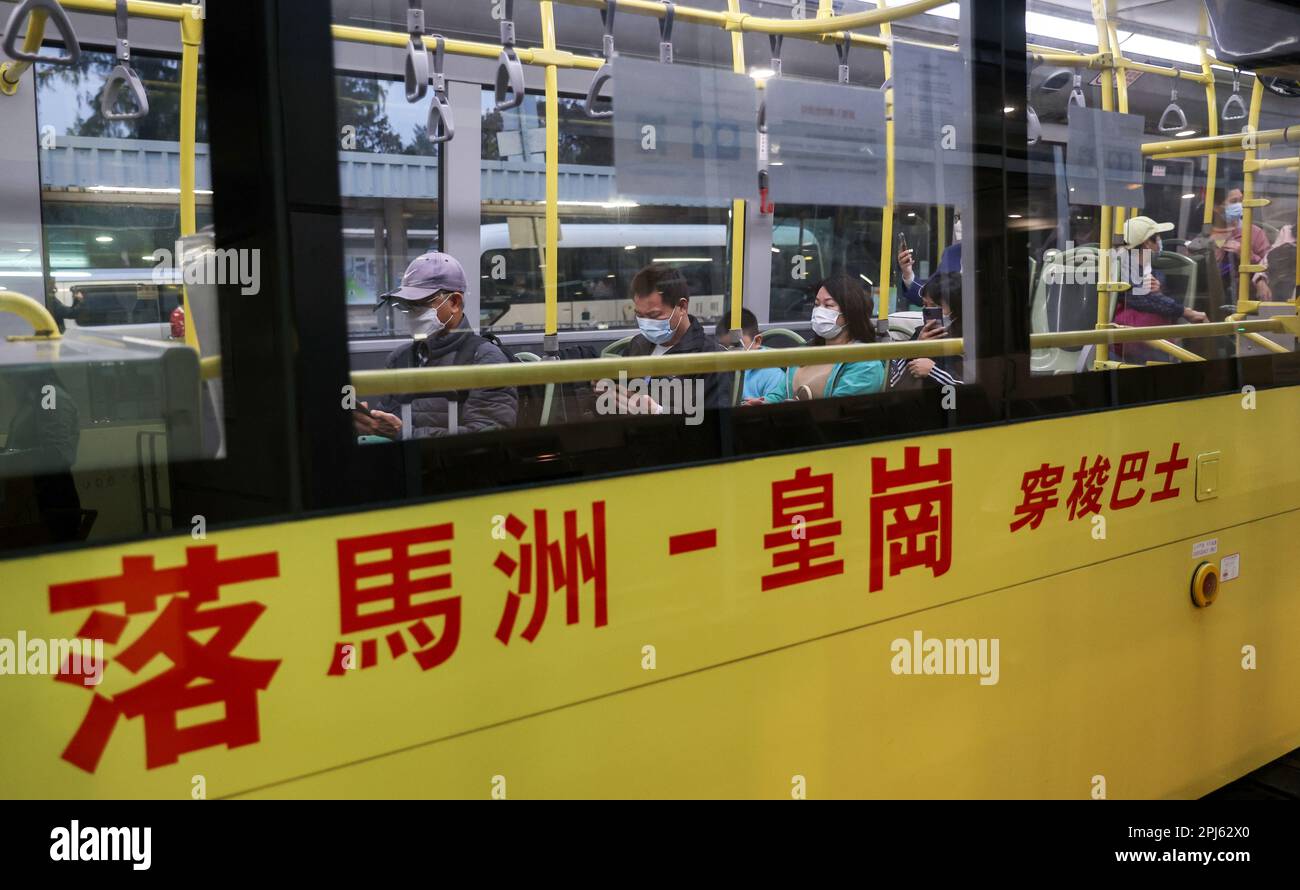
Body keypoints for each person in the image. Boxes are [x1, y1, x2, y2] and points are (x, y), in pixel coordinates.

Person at [354, 252, 517, 439]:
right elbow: (391, 420)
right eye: (406, 306)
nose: (411, 314)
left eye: (421, 304)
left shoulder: (485, 360)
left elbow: (488, 437)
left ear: (455, 302)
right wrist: (373, 424)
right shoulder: (400, 358)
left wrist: (405, 434)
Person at [617, 263, 734, 412]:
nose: (646, 323)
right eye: (639, 315)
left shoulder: (709, 359)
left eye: (654, 315)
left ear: (682, 307)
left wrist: (659, 412)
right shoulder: (638, 344)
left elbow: (712, 425)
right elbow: (622, 387)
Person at [764, 273, 884, 402]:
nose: (819, 311)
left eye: (829, 305)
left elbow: (840, 411)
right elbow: (781, 393)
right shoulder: (805, 353)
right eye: (816, 304)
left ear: (850, 311)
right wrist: (764, 402)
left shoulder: (866, 363)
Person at [1113, 215, 1207, 365]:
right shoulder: (1123, 269)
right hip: (1131, 342)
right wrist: (1186, 312)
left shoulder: (1153, 272)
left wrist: (1160, 294)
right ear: (1147, 243)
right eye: (1157, 238)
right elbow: (1141, 298)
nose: (1160, 242)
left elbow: (1156, 299)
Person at [889, 272, 963, 388]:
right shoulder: (920, 332)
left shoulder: (963, 339)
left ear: (956, 307)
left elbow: (970, 387)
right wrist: (916, 348)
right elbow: (893, 381)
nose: (928, 311)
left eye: (934, 306)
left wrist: (933, 371)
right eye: (924, 305)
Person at [715, 308, 785, 405]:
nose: (731, 353)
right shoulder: (720, 371)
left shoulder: (773, 375)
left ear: (757, 341)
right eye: (724, 347)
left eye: (737, 346)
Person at [1212, 186, 1271, 299]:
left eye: (1241, 201)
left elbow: (1269, 266)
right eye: (1234, 202)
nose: (1240, 206)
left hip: (1245, 297)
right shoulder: (1208, 233)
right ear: (1217, 207)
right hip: (1214, 296)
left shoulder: (1255, 233)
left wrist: (1247, 255)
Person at [897, 213, 962, 308]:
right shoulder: (951, 253)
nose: (959, 223)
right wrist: (908, 272)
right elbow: (928, 296)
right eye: (958, 218)